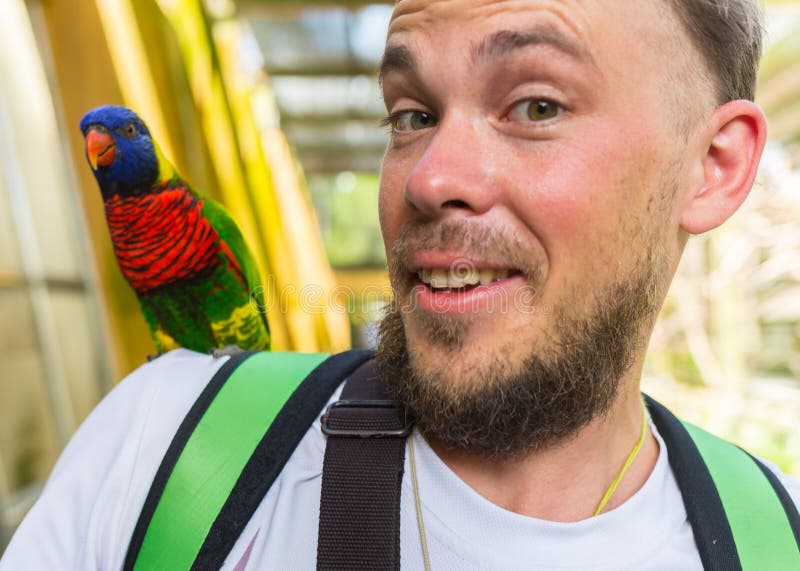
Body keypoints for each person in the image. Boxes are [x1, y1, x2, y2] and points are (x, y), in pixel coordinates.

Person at [3, 0, 799, 569]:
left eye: (537, 104)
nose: (429, 178)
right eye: (411, 115)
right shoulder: (163, 441)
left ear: (715, 166)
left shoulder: (775, 537)